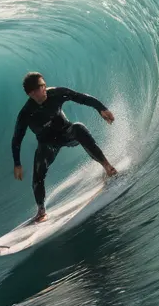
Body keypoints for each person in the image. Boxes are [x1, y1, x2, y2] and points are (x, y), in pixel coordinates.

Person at [11, 72, 117, 223]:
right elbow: (16, 139)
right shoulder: (26, 114)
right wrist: (17, 163)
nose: (45, 87)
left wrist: (101, 108)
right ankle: (41, 211)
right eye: (41, 86)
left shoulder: (56, 93)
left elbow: (81, 97)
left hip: (66, 133)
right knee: (39, 170)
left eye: (44, 84)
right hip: (48, 144)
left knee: (79, 128)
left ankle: (108, 167)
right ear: (31, 93)